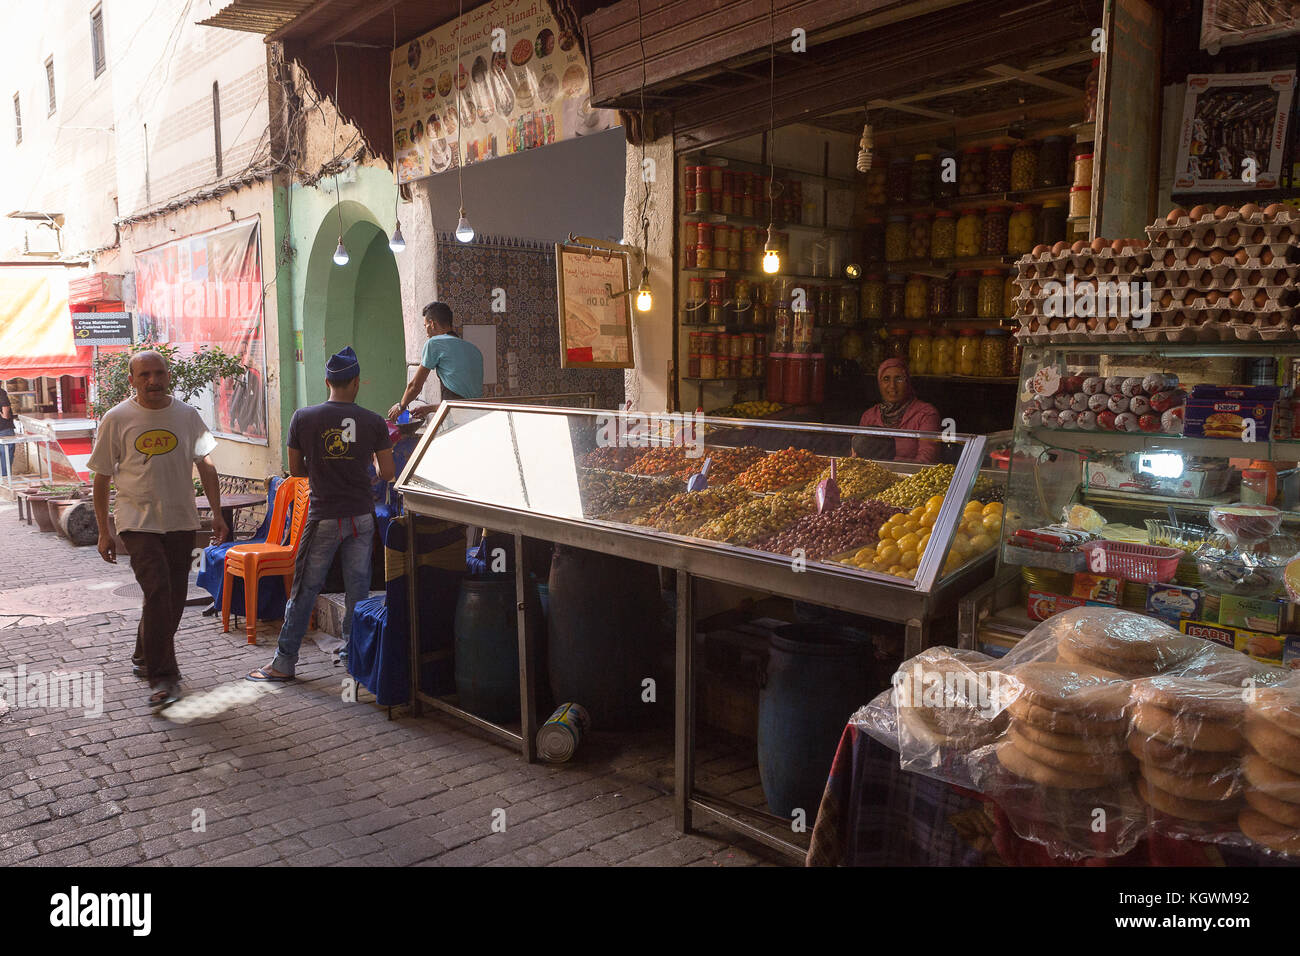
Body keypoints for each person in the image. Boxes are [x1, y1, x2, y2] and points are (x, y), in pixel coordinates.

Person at [88, 350, 229, 711]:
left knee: (172, 597)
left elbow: (207, 466)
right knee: (158, 590)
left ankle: (142, 654)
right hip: (137, 521)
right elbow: (102, 477)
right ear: (132, 380)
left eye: (159, 373)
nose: (153, 380)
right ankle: (164, 677)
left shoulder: (186, 415)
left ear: (169, 376)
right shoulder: (116, 419)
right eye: (145, 374)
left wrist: (216, 513)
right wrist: (104, 531)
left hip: (181, 520)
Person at [247, 346, 395, 683]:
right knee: (358, 591)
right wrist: (366, 467)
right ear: (356, 382)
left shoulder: (303, 417)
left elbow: (296, 470)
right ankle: (352, 659)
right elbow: (387, 472)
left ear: (327, 380)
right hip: (360, 517)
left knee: (305, 589)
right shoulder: (373, 422)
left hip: (323, 516)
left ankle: (284, 663)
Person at [387, 301, 484, 421]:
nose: (426, 332)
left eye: (425, 325)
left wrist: (400, 406)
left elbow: (415, 386)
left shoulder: (434, 343)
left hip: (456, 421)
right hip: (479, 416)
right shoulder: (474, 350)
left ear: (432, 324)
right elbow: (465, 403)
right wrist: (429, 408)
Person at [853, 358, 941, 464]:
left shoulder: (926, 414)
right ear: (879, 383)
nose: (892, 386)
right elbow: (858, 457)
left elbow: (927, 460)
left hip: (912, 479)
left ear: (908, 382)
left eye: (898, 379)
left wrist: (891, 469)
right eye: (886, 379)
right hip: (873, 478)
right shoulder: (869, 416)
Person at [0, 384, 14, 477]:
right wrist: (5, 415)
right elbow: (5, 414)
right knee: (6, 456)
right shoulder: (1, 393)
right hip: (4, 429)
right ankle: (6, 479)